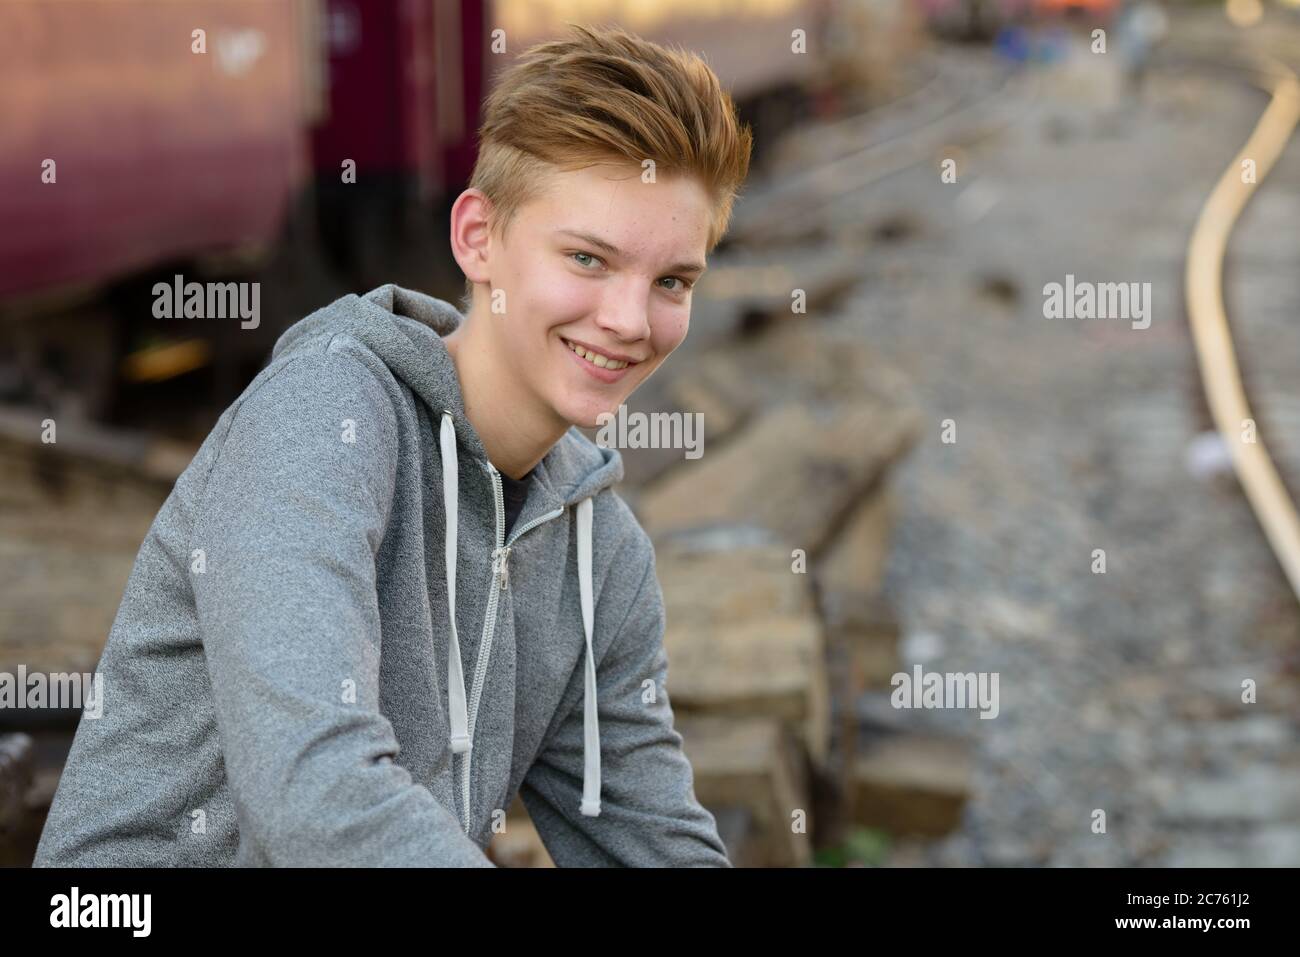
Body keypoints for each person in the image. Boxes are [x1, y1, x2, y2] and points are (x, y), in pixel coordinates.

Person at [34, 23, 752, 867]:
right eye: (590, 259)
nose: (631, 321)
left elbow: (658, 843)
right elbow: (314, 795)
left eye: (672, 281)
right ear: (478, 238)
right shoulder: (324, 418)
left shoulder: (601, 554)